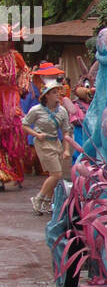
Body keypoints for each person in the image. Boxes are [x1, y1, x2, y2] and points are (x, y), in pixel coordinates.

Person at [21, 77, 81, 213]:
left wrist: (66, 150)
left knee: (53, 175)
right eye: (54, 92)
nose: (58, 95)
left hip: (56, 143)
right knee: (57, 174)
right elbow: (24, 125)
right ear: (46, 95)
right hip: (43, 143)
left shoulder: (62, 111)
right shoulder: (36, 110)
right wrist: (36, 135)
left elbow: (66, 131)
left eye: (58, 92)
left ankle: (47, 203)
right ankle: (38, 198)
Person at [0, 27, 28, 189]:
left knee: (13, 136)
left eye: (5, 39)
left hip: (10, 98)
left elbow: (25, 71)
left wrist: (22, 85)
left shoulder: (15, 56)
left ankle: (14, 173)